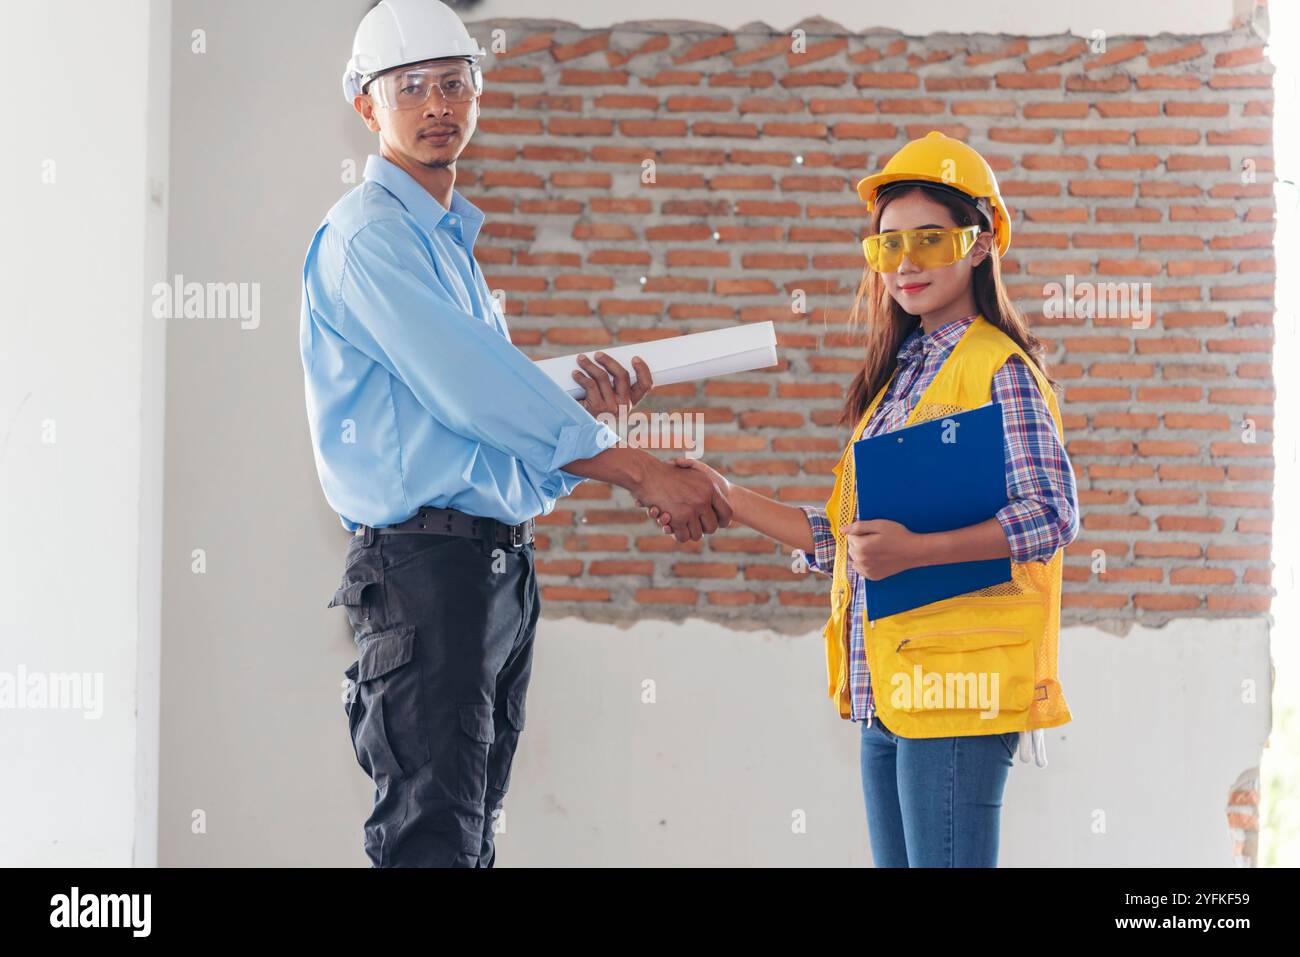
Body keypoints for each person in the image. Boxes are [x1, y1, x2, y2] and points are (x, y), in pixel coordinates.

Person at [300, 0, 731, 867]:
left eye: (454, 84)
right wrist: (639, 471)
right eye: (411, 87)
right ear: (366, 105)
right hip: (426, 571)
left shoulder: (449, 247)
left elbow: (480, 435)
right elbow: (474, 395)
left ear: (479, 94)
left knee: (470, 833)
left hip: (490, 568)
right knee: (434, 837)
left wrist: (584, 430)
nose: (436, 106)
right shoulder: (371, 238)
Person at [647, 131, 1079, 867]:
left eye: (929, 240)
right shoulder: (898, 377)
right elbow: (847, 545)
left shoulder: (997, 367)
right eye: (887, 247)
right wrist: (729, 494)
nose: (905, 264)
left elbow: (1051, 512)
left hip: (957, 688)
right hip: (888, 689)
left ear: (980, 245)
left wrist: (916, 551)